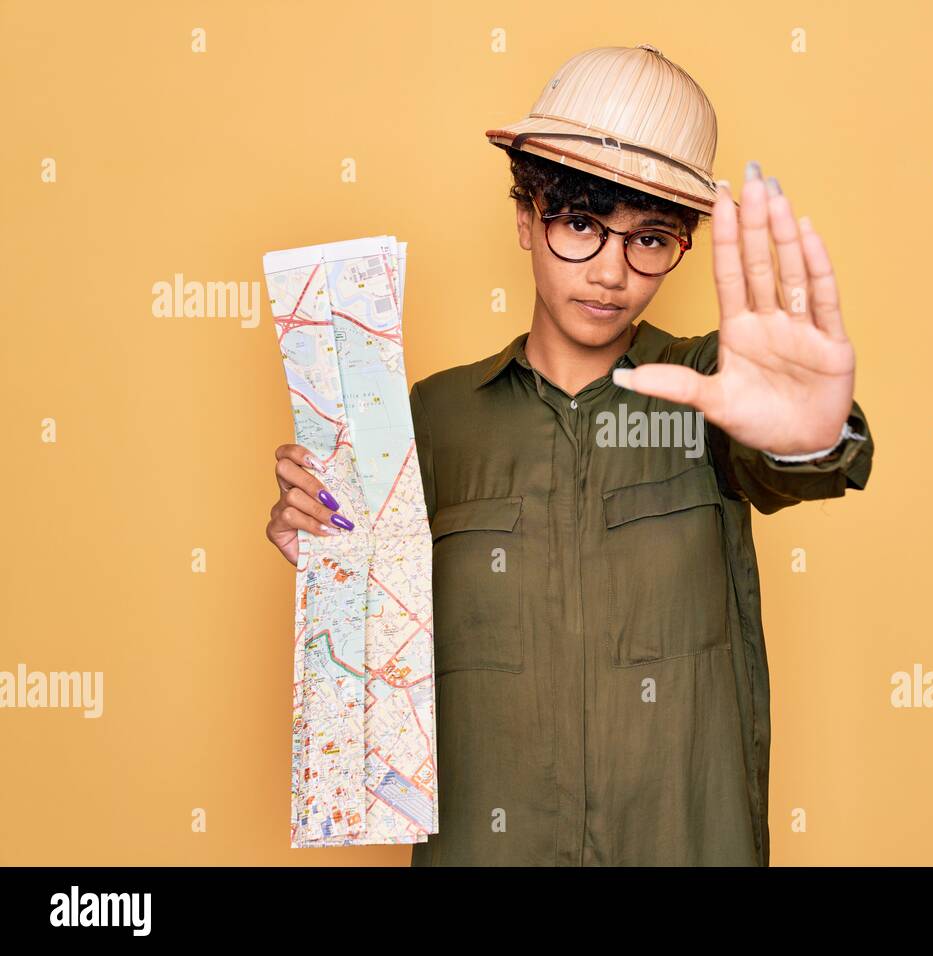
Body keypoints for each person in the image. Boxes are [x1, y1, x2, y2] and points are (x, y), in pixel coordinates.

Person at [264, 43, 874, 865]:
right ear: (526, 216)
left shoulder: (710, 390)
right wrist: (334, 573)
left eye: (651, 239)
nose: (613, 272)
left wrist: (811, 437)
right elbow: (373, 682)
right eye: (582, 224)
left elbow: (788, 457)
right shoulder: (429, 419)